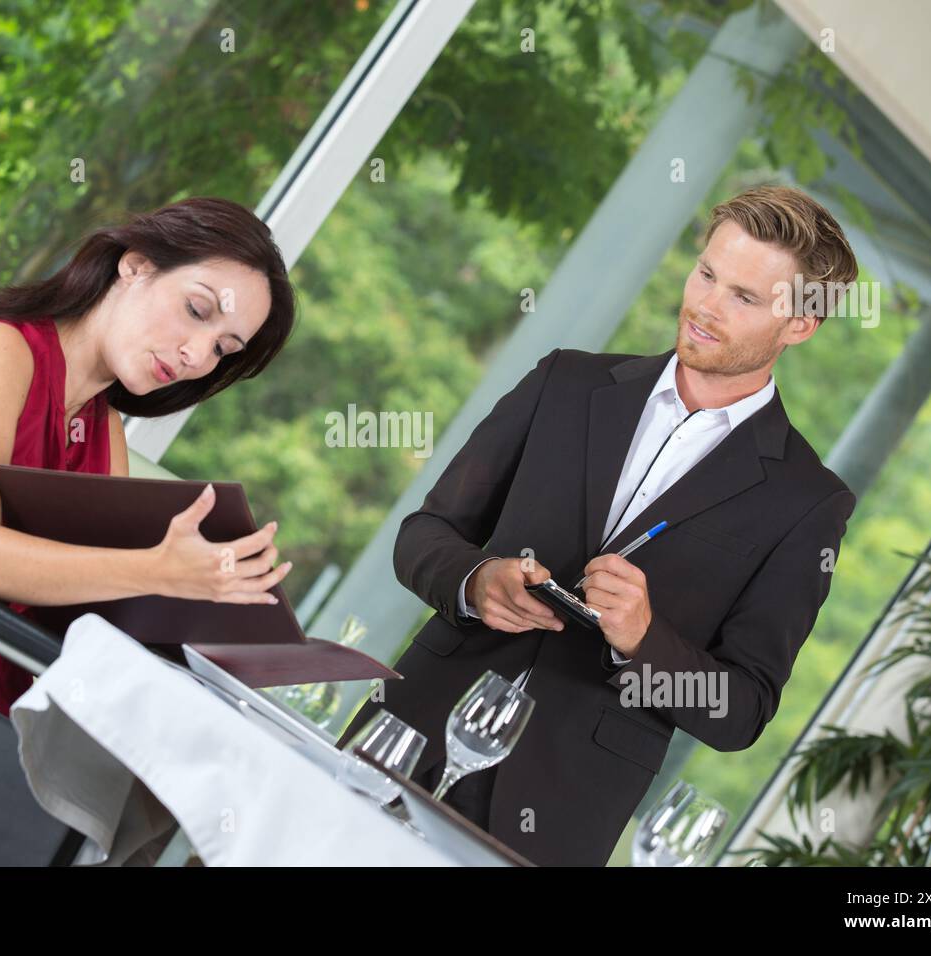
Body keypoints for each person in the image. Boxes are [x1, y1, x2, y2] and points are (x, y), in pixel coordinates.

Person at [339, 184, 859, 866]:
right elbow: (424, 535)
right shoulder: (565, 382)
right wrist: (476, 579)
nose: (705, 306)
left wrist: (646, 641)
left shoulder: (807, 501)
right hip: (407, 735)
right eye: (707, 274)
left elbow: (742, 711)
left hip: (553, 818)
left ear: (800, 325)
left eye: (744, 298)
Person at [0, 198, 296, 714]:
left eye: (224, 349)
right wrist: (159, 570)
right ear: (136, 265)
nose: (198, 356)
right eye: (197, 310)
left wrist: (205, 603)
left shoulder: (104, 428)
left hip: (7, 683)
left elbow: (91, 596)